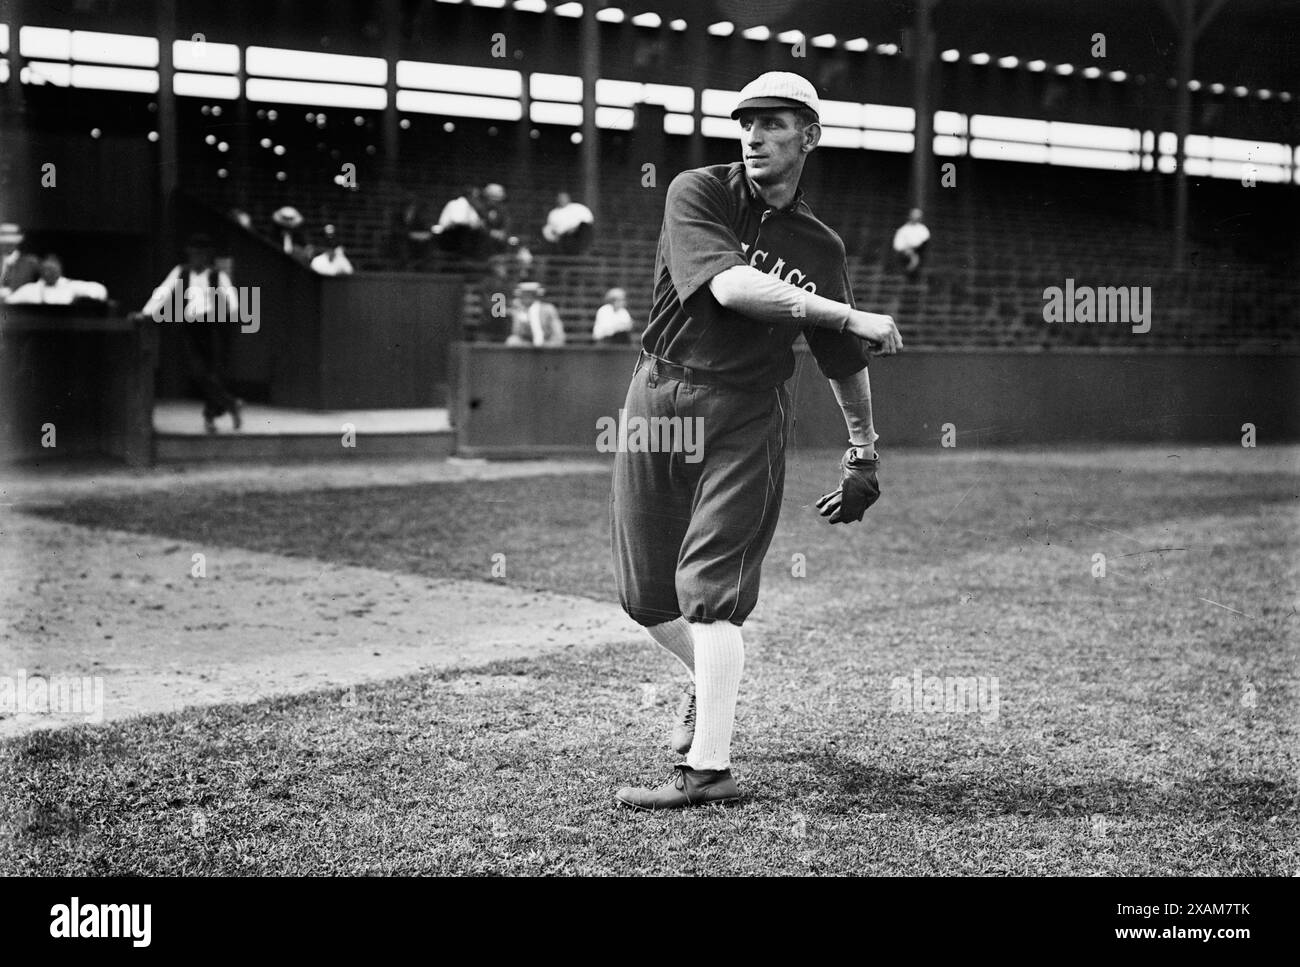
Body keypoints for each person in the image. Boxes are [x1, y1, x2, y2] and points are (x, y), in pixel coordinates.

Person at [609, 71, 903, 810]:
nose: (754, 134)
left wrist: (863, 449)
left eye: (774, 123)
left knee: (709, 594)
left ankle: (708, 769)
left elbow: (843, 365)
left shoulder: (818, 243)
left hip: (747, 415)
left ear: (810, 135)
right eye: (746, 121)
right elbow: (731, 287)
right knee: (643, 597)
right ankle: (704, 684)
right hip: (659, 392)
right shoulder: (697, 190)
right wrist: (844, 312)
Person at [139, 233, 244, 434]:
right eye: (194, 254)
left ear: (207, 256)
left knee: (212, 373)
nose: (197, 258)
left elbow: (231, 297)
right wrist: (146, 313)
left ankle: (211, 416)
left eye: (201, 254)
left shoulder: (217, 275)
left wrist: (230, 313)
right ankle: (231, 403)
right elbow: (163, 292)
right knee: (198, 372)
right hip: (190, 326)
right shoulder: (181, 272)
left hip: (211, 326)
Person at [4, 255, 108, 304]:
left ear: (60, 269)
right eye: (46, 269)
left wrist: (80, 297)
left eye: (52, 269)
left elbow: (100, 290)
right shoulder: (29, 289)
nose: (49, 273)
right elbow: (9, 302)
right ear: (41, 271)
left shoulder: (71, 286)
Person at [504, 281, 565, 346]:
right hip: (525, 343)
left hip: (547, 342)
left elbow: (557, 330)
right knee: (512, 341)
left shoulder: (548, 309)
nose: (528, 297)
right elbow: (517, 332)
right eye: (525, 295)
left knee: (557, 341)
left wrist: (551, 342)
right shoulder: (519, 310)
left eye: (531, 294)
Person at [432, 185, 485, 258]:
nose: (478, 198)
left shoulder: (470, 206)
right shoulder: (458, 204)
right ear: (469, 195)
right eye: (476, 196)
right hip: (451, 236)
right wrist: (474, 224)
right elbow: (458, 222)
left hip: (459, 237)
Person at [0, 222, 41, 298]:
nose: (6, 245)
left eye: (10, 243)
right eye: (4, 242)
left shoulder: (31, 262)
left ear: (17, 243)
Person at [892, 207, 930, 279]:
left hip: (919, 252)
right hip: (903, 254)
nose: (915, 218)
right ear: (910, 216)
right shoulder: (902, 230)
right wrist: (906, 249)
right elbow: (897, 245)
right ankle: (906, 273)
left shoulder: (923, 229)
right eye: (914, 215)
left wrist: (912, 248)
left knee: (915, 259)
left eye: (918, 216)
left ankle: (913, 273)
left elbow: (924, 242)